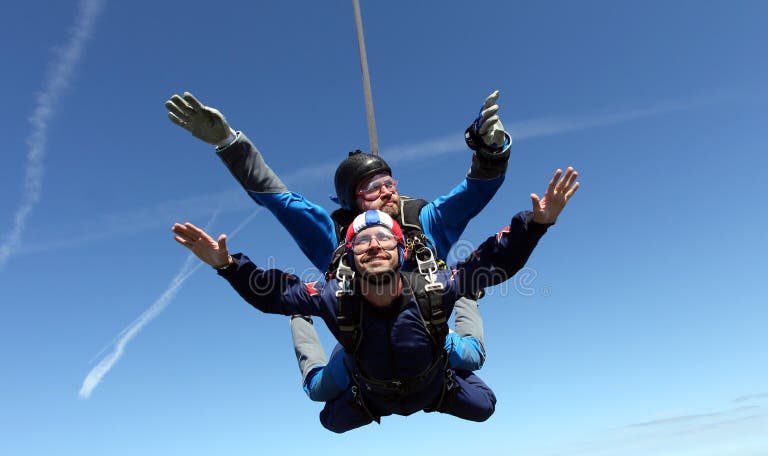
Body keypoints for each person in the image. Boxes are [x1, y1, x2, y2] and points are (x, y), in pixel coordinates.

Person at [173, 167, 580, 433]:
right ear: (349, 256)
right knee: (323, 406)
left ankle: (465, 302)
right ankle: (301, 319)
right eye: (362, 241)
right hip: (369, 391)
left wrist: (536, 224)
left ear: (402, 251)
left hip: (433, 384)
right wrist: (228, 266)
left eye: (384, 239)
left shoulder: (434, 287)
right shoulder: (336, 296)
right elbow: (272, 292)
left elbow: (496, 261)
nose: (373, 245)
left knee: (483, 400)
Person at [166, 90, 512, 397]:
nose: (387, 191)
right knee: (320, 392)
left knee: (473, 359)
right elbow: (279, 199)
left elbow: (475, 191)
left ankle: (466, 294)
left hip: (427, 335)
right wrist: (229, 143)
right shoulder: (333, 238)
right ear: (352, 202)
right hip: (363, 344)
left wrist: (491, 151)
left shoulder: (423, 222)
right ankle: (300, 316)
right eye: (372, 188)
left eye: (389, 182)